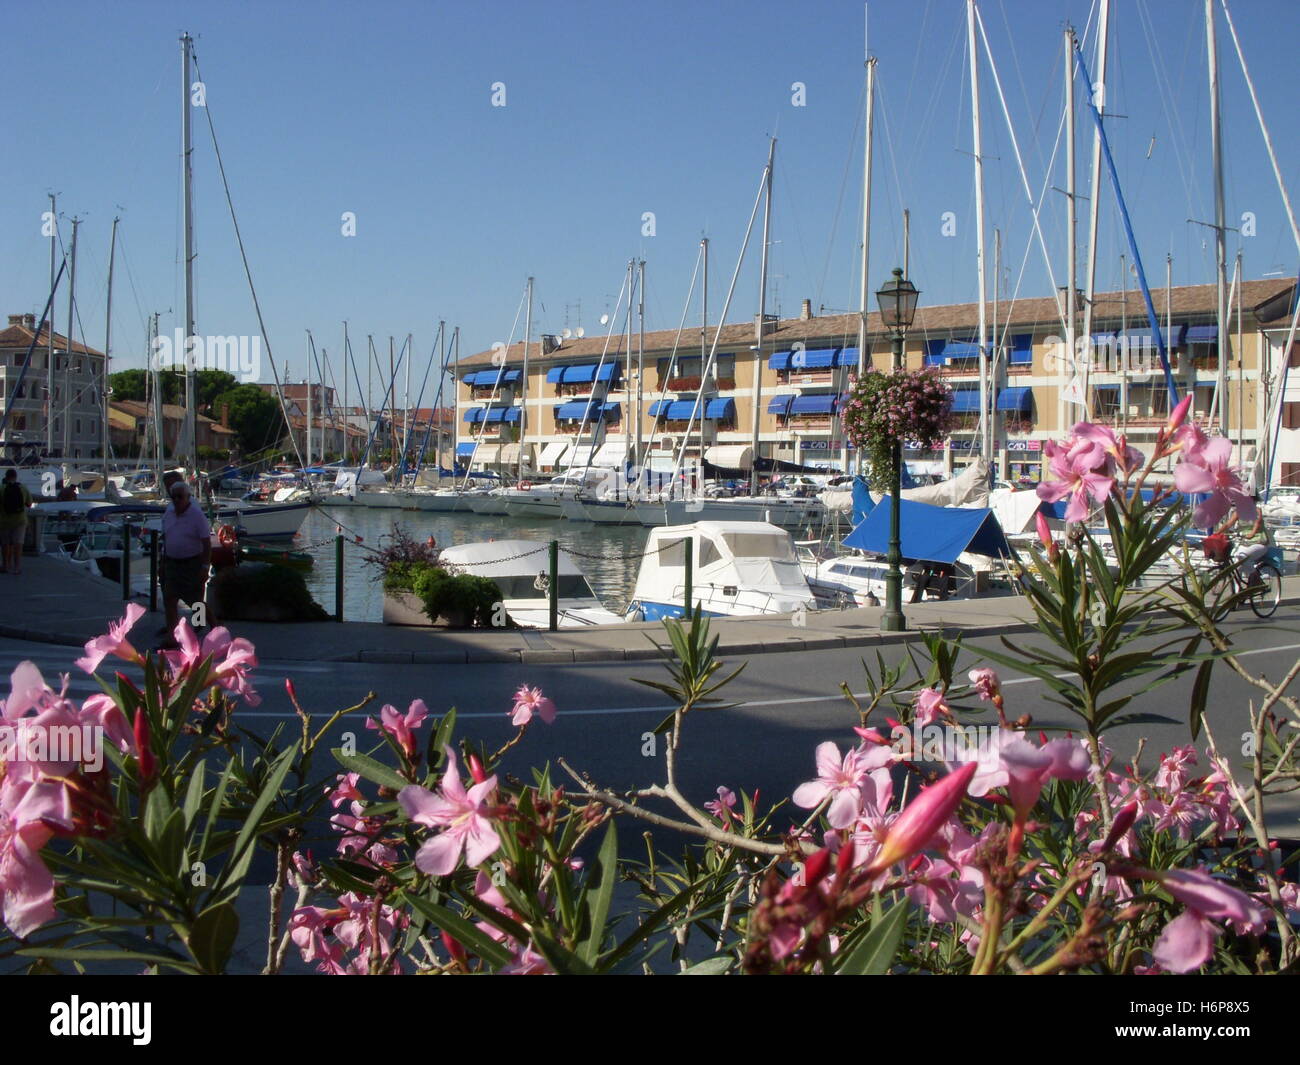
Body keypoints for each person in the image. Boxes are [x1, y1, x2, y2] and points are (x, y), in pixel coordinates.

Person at [160, 480, 212, 647]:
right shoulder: (168, 513)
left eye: (180, 497)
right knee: (170, 599)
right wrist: (162, 562)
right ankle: (172, 636)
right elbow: (166, 538)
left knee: (195, 599)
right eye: (173, 497)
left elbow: (206, 543)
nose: (176, 500)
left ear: (188, 497)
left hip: (191, 562)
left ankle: (210, 625)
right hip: (172, 562)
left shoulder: (197, 515)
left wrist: (205, 567)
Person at [0, 469, 32, 575]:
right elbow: (29, 504)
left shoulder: (1, 488)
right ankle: (17, 567)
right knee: (18, 544)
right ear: (15, 476)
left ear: (6, 476)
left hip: (4, 521)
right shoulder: (23, 488)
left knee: (5, 544)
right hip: (20, 520)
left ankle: (5, 566)